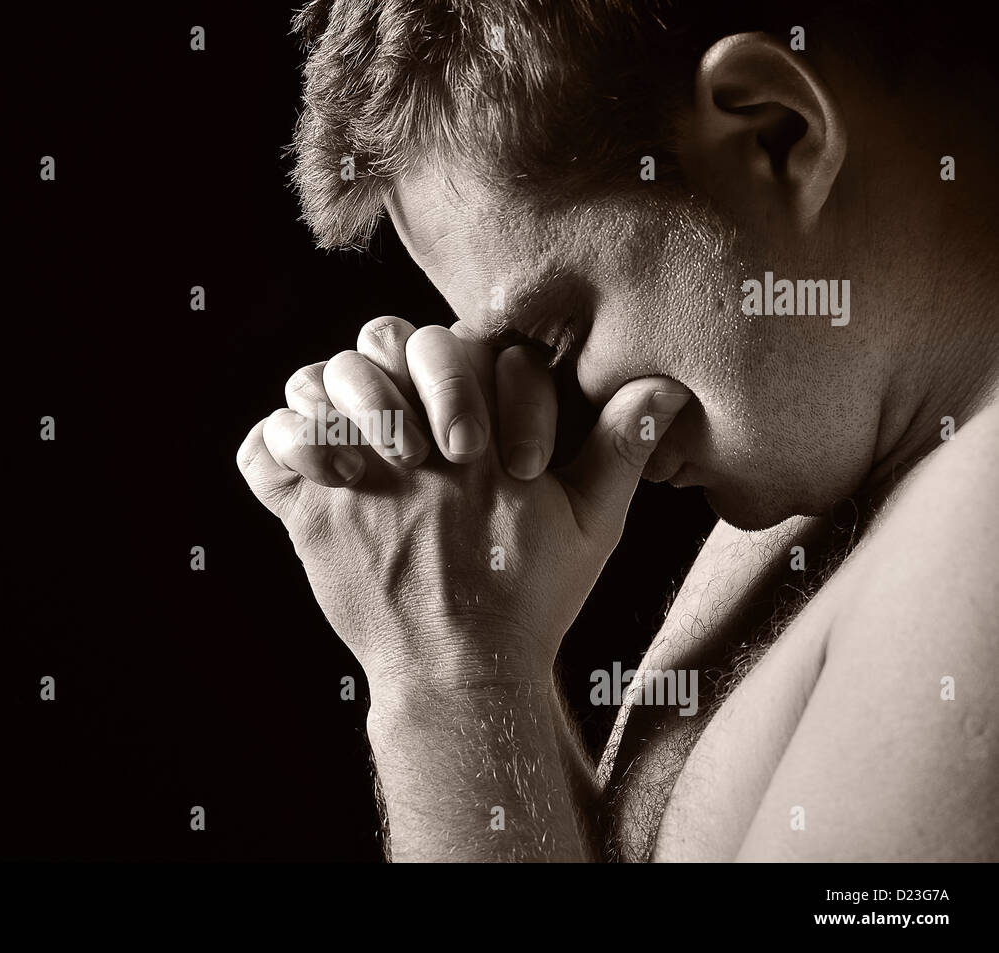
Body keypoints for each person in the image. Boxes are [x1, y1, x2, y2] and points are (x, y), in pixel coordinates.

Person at [237, 0, 999, 861]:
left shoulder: (981, 552)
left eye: (556, 334)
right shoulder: (861, 464)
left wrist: (449, 673)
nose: (547, 410)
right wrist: (493, 650)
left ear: (777, 136)